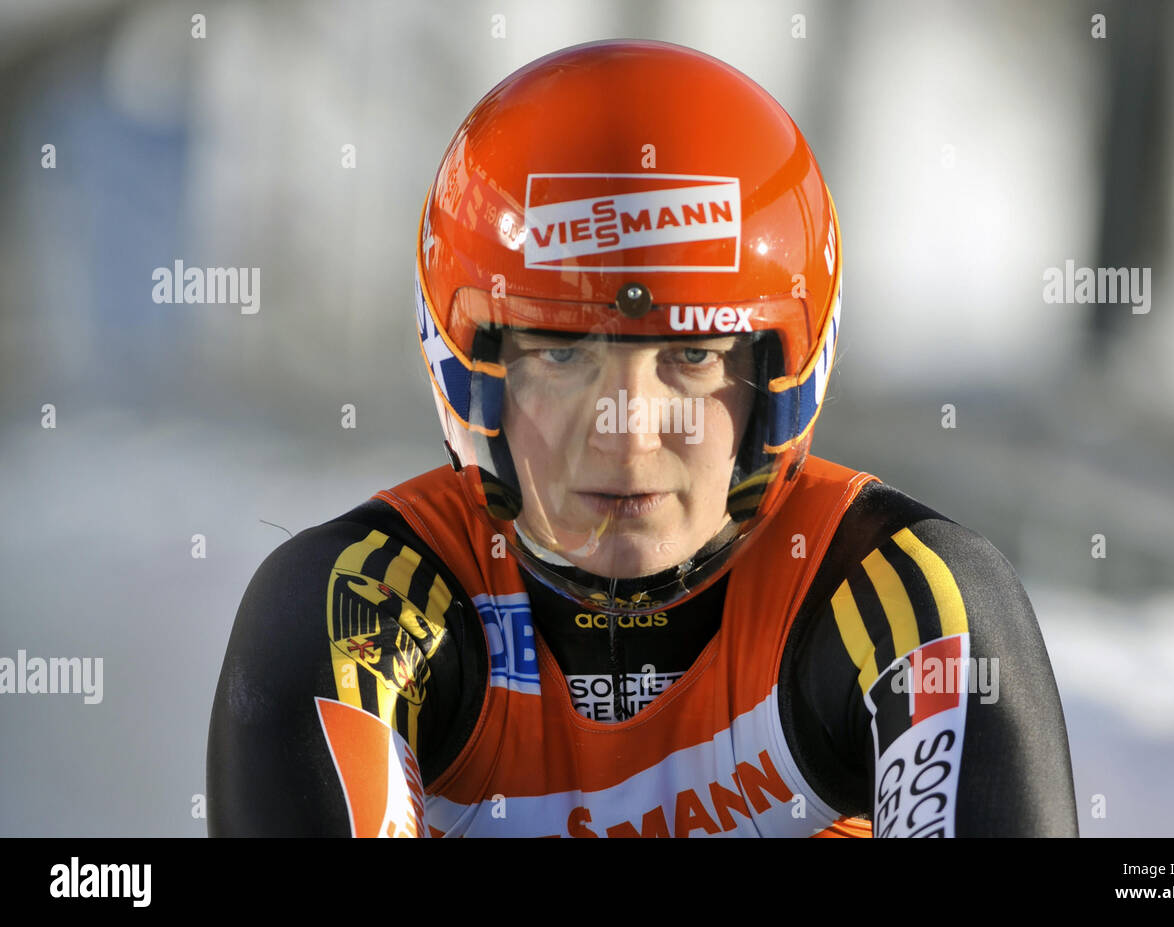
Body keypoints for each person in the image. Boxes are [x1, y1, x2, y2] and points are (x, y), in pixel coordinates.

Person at [207, 39, 1078, 837]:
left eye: (693, 354)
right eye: (561, 353)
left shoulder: (908, 599)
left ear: (782, 383)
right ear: (474, 377)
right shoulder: (354, 602)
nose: (627, 434)